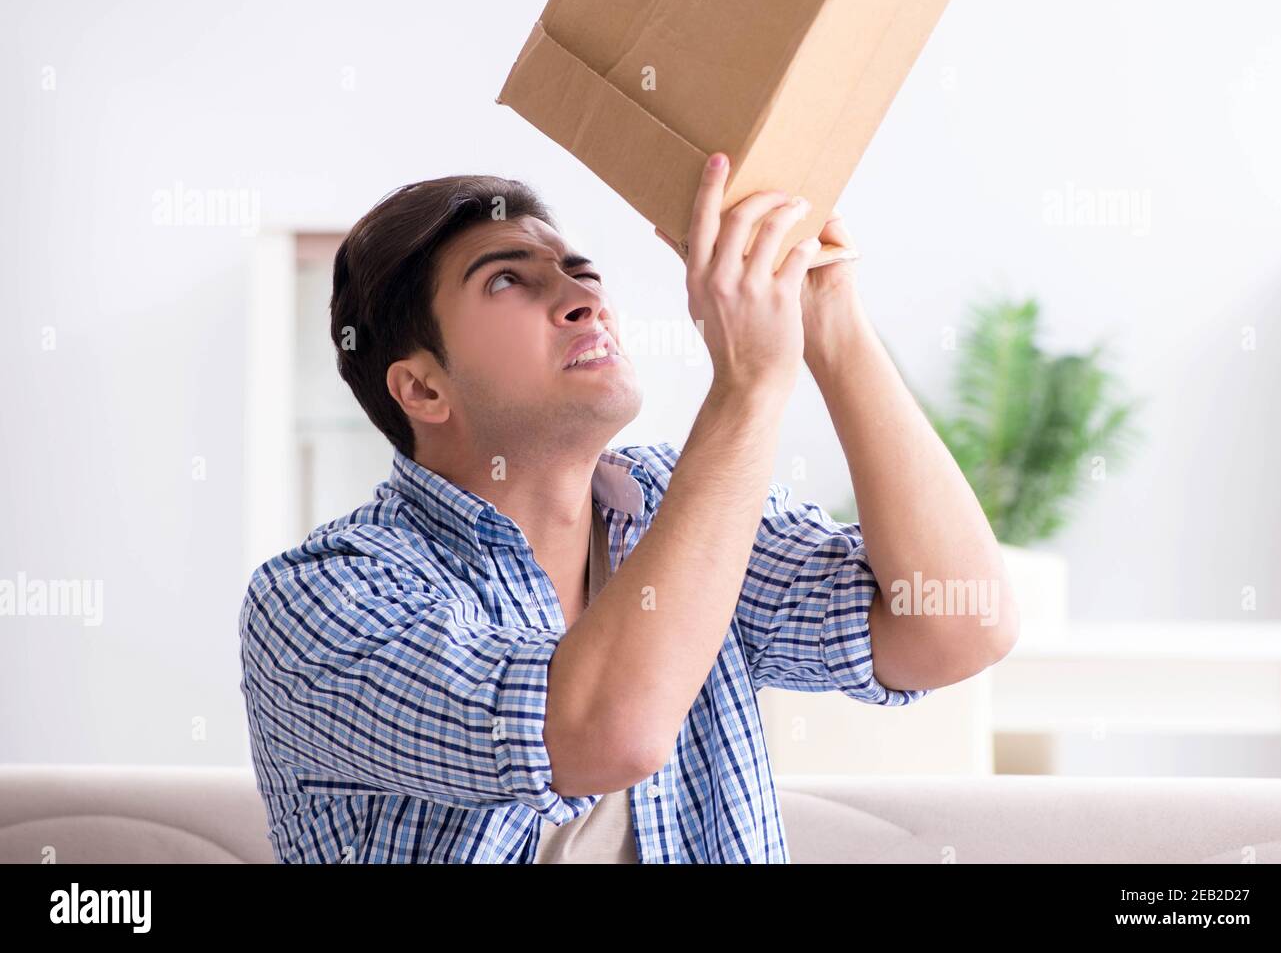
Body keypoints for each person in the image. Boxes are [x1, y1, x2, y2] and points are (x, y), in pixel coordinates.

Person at [238, 152, 1019, 863]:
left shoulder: (673, 506)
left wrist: (830, 319)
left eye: (581, 271)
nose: (582, 298)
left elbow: (956, 623)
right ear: (422, 388)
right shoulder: (319, 602)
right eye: (509, 280)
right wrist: (747, 389)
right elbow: (604, 732)